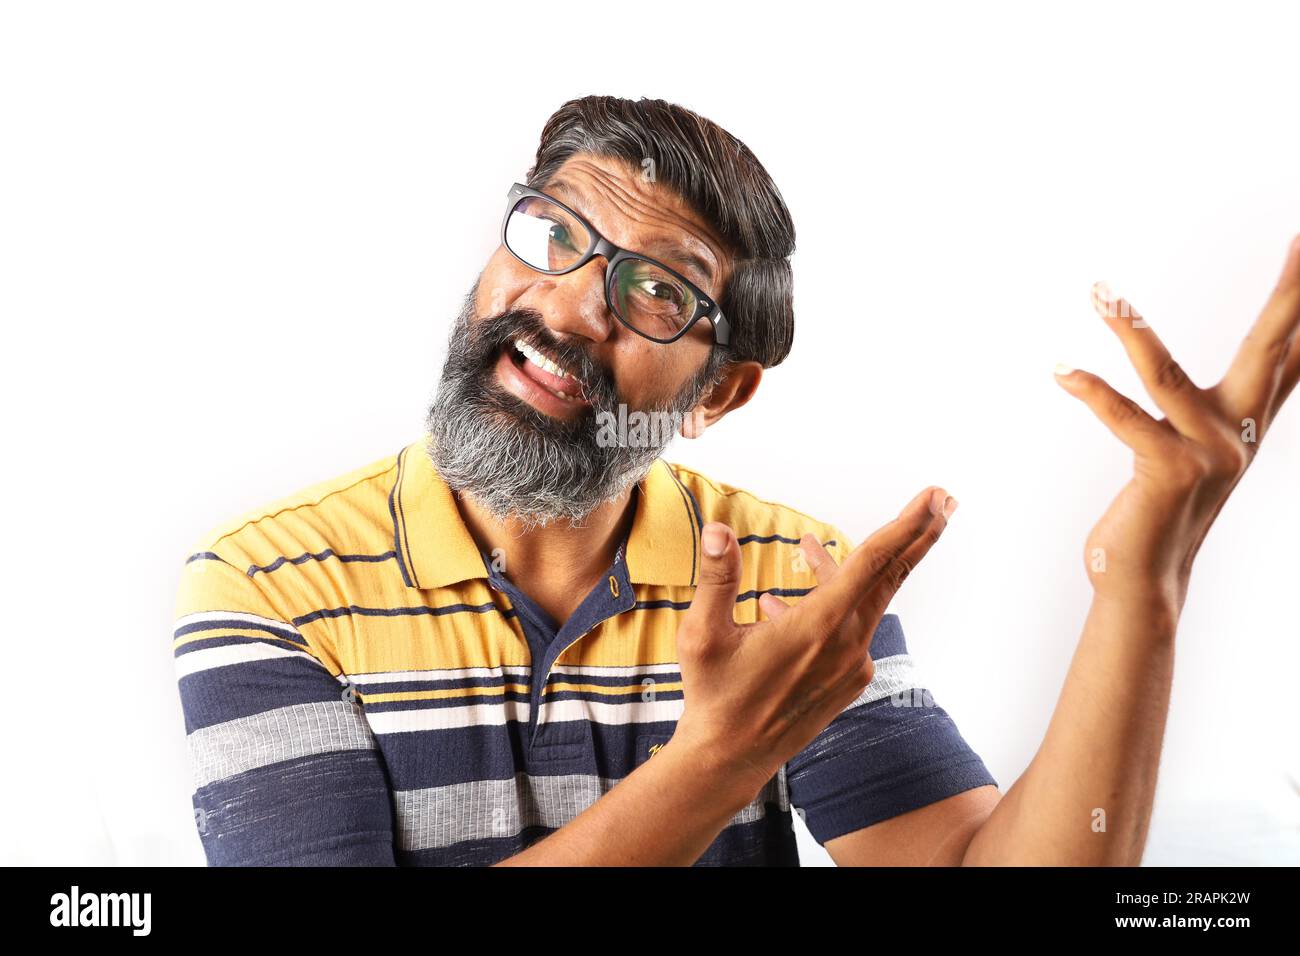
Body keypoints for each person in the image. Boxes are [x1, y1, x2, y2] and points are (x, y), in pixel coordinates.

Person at [172, 95, 1299, 866]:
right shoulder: (266, 583)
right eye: (550, 231)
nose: (564, 305)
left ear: (719, 394)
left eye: (656, 291)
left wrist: (1142, 580)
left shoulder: (780, 577)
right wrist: (722, 756)